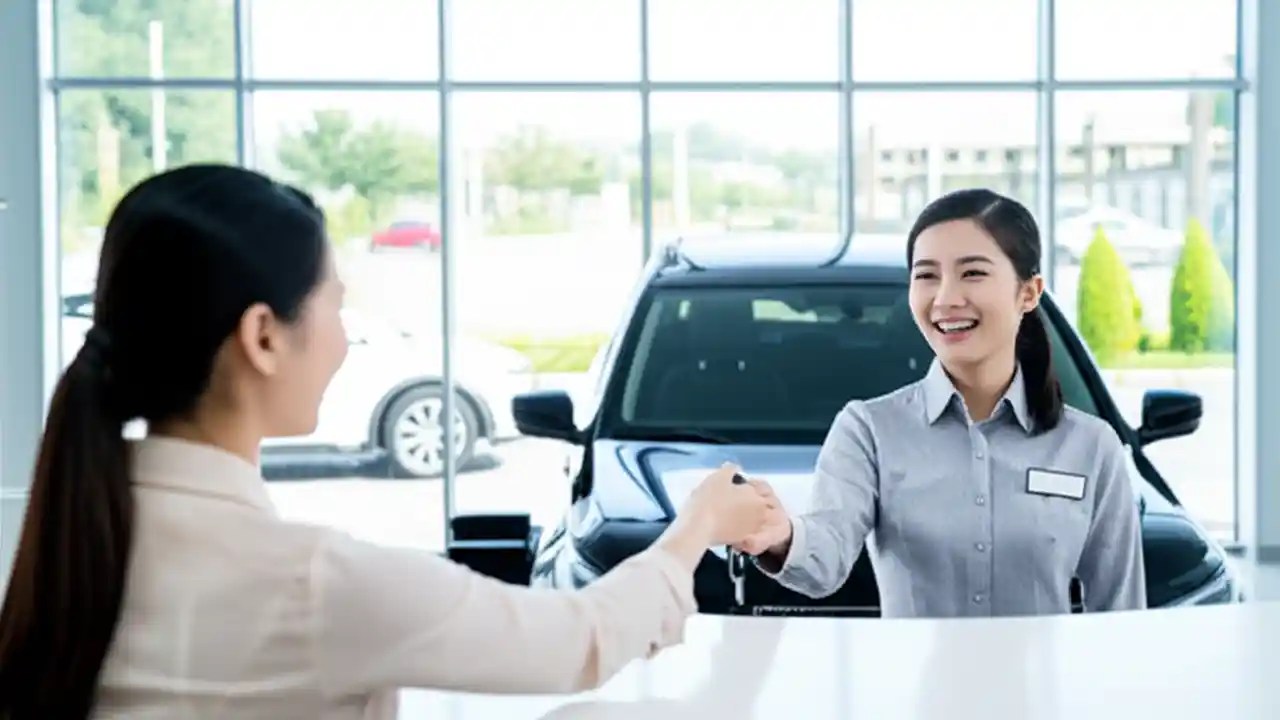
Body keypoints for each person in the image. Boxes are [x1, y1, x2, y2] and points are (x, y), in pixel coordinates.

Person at [0, 164, 775, 719]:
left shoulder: (74, 545)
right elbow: (583, 639)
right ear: (263, 336)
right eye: (334, 306)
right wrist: (700, 524)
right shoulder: (313, 584)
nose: (343, 338)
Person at [735, 188, 1146, 618]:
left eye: (972, 273)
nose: (946, 298)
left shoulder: (1091, 447)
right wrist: (781, 535)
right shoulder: (869, 432)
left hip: (1046, 668)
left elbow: (1121, 615)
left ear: (1028, 292)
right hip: (911, 668)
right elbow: (824, 559)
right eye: (927, 275)